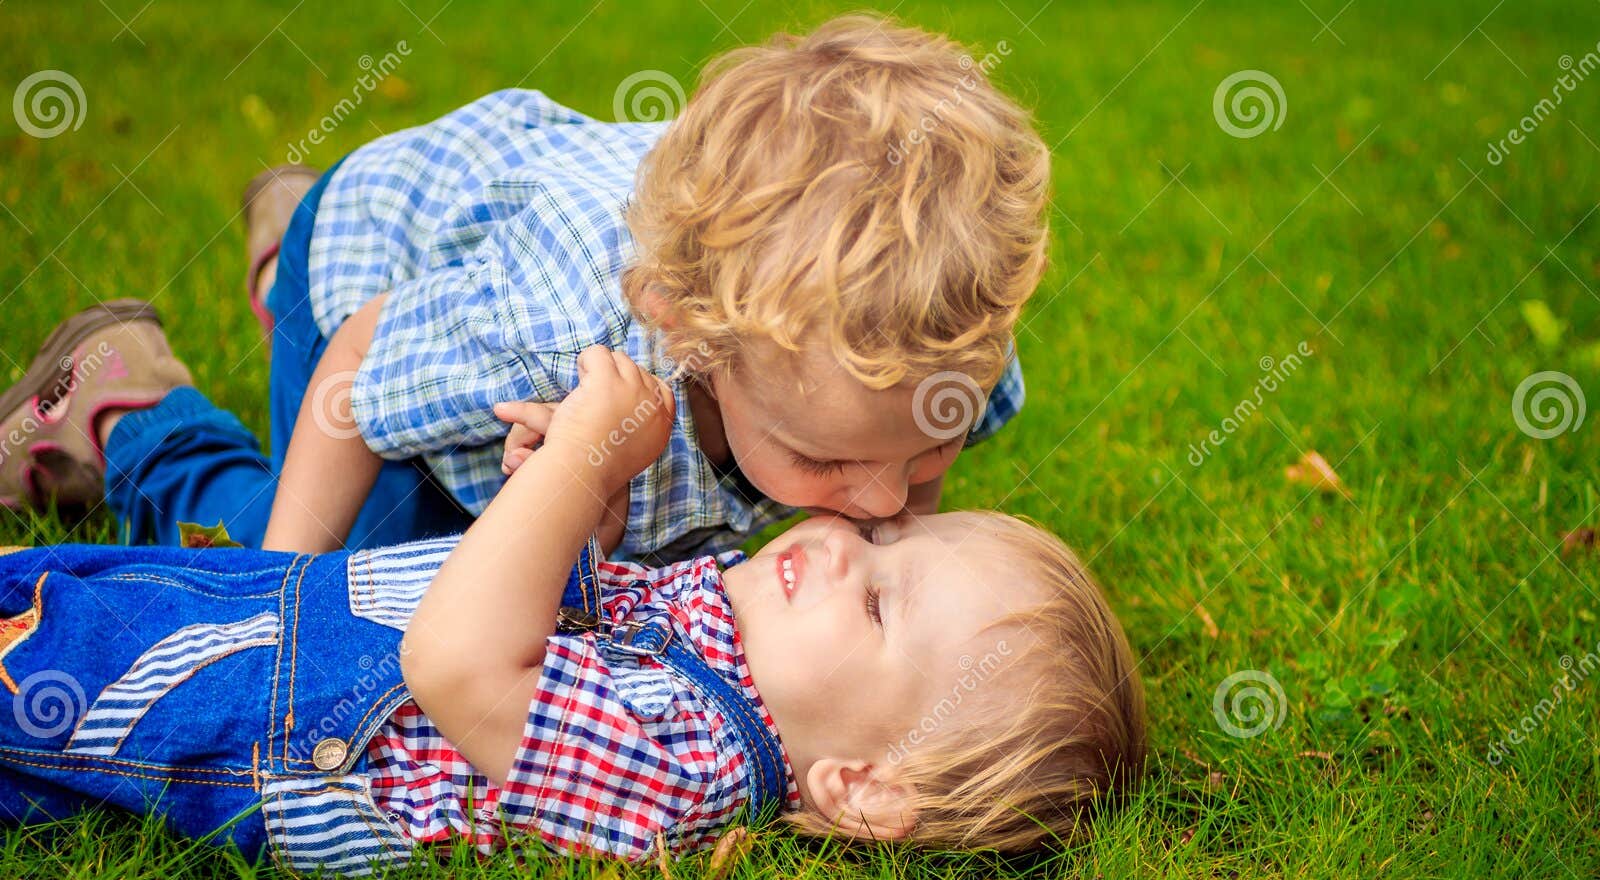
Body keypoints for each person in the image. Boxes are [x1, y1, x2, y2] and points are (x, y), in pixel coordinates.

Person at [0, 348, 1145, 874]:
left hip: (226, 726)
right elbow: (556, 614)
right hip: (279, 612)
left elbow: (460, 667)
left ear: (863, 786)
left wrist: (578, 467)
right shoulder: (738, 627)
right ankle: (131, 406)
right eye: (888, 540)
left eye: (884, 607)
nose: (847, 550)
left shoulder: (678, 779)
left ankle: (131, 411)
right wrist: (571, 507)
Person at [0, 15, 1050, 563]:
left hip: (470, 231)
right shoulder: (550, 335)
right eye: (827, 458)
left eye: (922, 453)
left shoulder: (923, 334)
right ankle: (130, 409)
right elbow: (365, 357)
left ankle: (286, 243)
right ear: (687, 332)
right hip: (373, 284)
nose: (880, 501)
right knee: (374, 571)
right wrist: (282, 607)